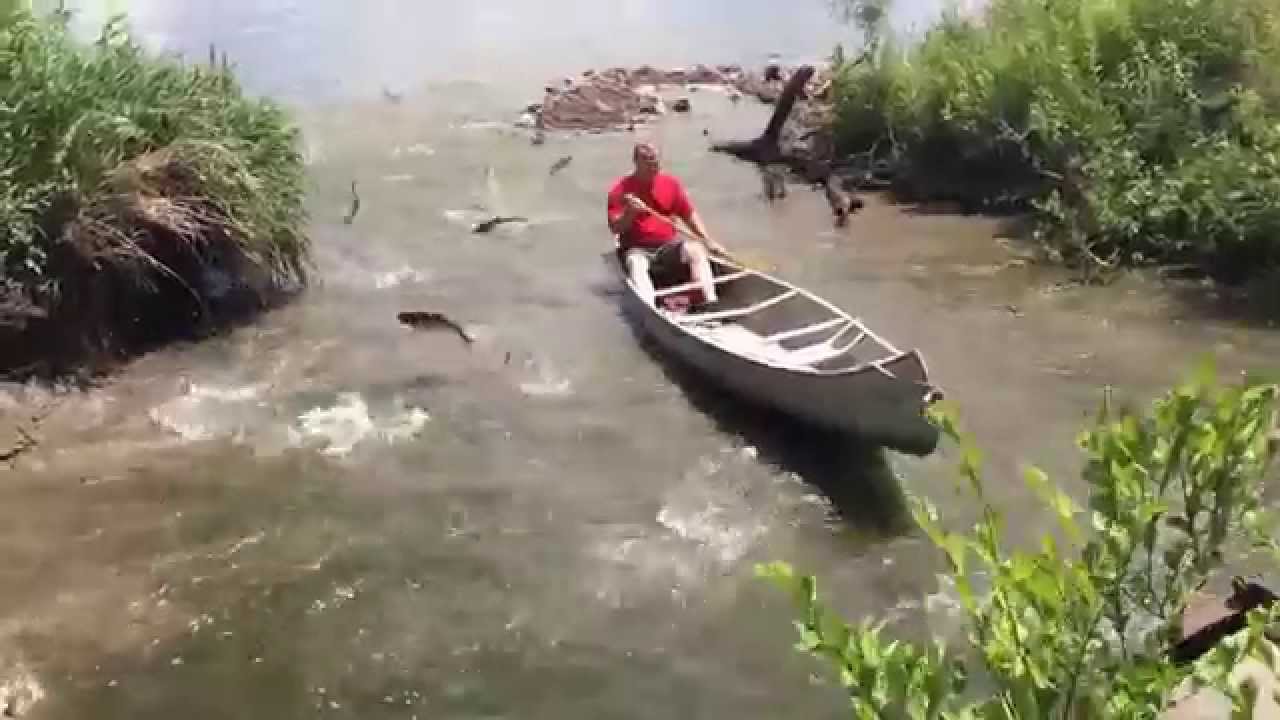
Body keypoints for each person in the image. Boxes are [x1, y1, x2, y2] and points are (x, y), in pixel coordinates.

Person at [606, 142, 728, 310]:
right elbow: (615, 228)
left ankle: (710, 302)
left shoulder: (670, 184)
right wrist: (630, 212)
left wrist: (707, 240)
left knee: (696, 250)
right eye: (647, 164)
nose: (653, 168)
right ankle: (649, 308)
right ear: (636, 162)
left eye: (655, 163)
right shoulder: (620, 190)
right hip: (638, 248)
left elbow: (688, 214)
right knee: (635, 263)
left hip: (668, 246)